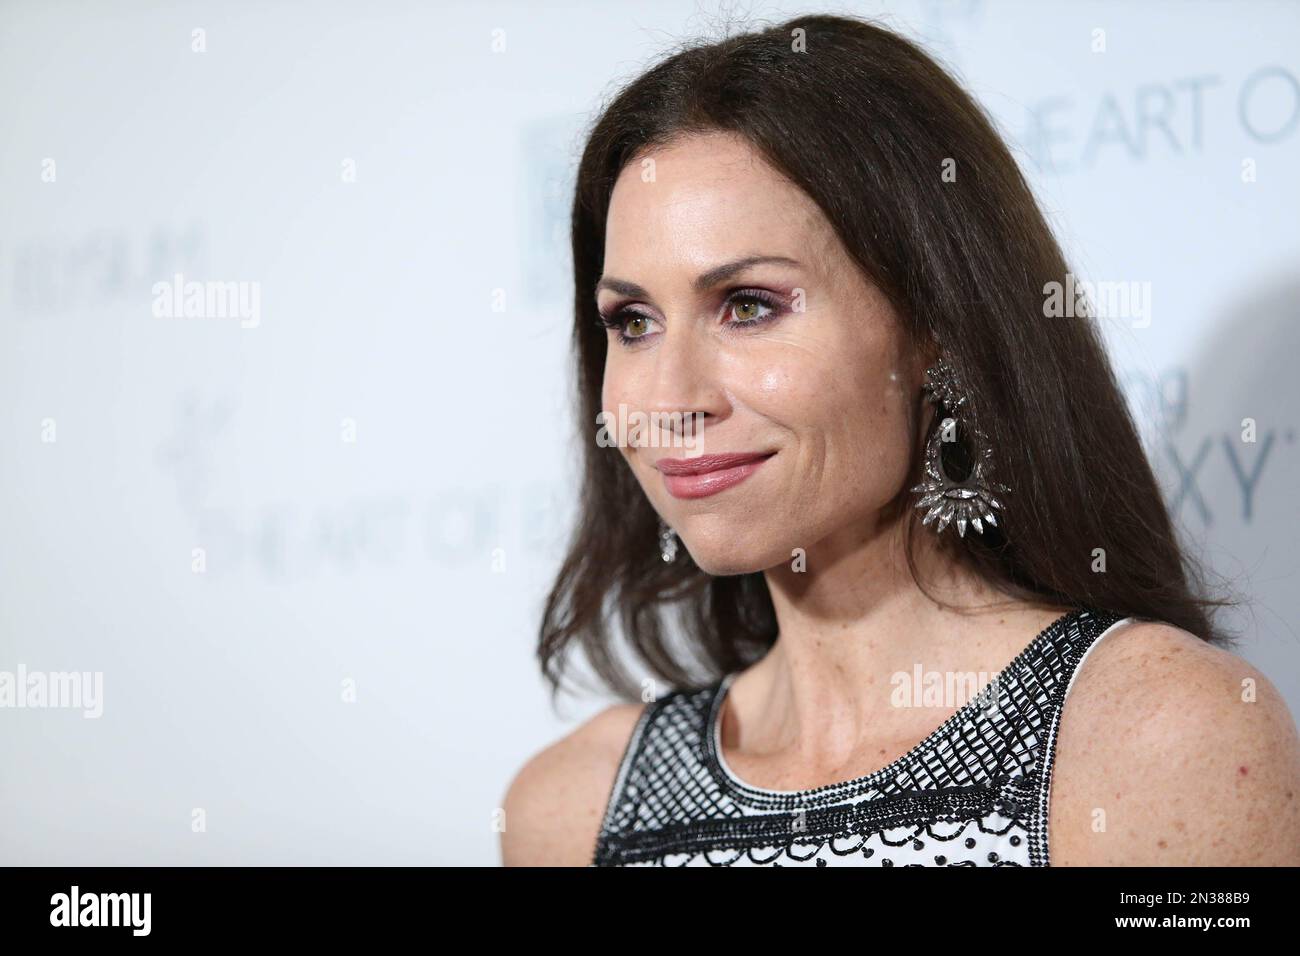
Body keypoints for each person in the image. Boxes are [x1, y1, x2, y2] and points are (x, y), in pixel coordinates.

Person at [500, 13, 1300, 866]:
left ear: (936, 327)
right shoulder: (569, 810)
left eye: (748, 306)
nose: (668, 399)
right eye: (634, 322)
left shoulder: (1155, 739)